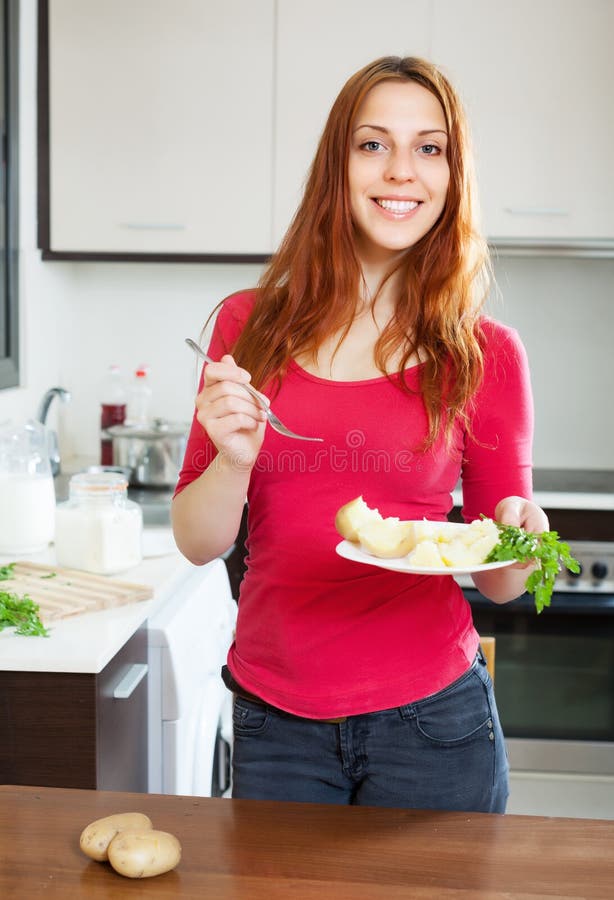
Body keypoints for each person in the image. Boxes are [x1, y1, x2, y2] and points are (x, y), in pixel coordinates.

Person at [172, 55, 549, 812]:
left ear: (452, 174)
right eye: (373, 144)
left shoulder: (486, 353)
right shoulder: (252, 325)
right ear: (337, 166)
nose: (400, 171)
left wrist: (521, 534)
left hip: (435, 719)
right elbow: (197, 539)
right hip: (275, 717)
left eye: (429, 147)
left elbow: (505, 581)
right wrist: (234, 464)